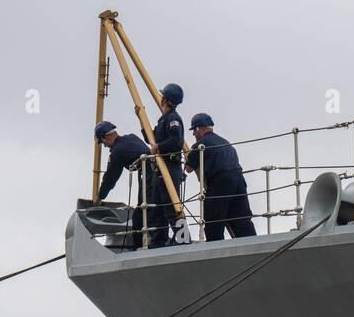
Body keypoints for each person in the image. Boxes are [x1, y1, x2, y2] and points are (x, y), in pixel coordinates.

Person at [185, 113, 257, 241]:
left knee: (214, 222)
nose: (194, 135)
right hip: (239, 180)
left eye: (194, 131)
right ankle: (252, 246)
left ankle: (215, 251)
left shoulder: (201, 145)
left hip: (220, 181)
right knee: (241, 220)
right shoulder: (225, 142)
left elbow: (188, 169)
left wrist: (188, 155)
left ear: (199, 128)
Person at [94, 120, 158, 250]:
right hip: (155, 173)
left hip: (149, 175)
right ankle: (156, 240)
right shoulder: (132, 137)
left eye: (103, 142)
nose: (105, 146)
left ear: (106, 137)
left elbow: (110, 177)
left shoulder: (117, 151)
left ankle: (141, 247)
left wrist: (100, 197)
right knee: (153, 209)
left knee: (140, 215)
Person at [148, 83, 186, 247]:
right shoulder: (164, 119)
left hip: (170, 166)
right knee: (157, 207)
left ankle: (183, 239)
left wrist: (159, 147)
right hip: (161, 169)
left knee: (172, 207)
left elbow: (176, 141)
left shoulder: (173, 119)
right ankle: (158, 241)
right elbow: (154, 139)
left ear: (165, 99)